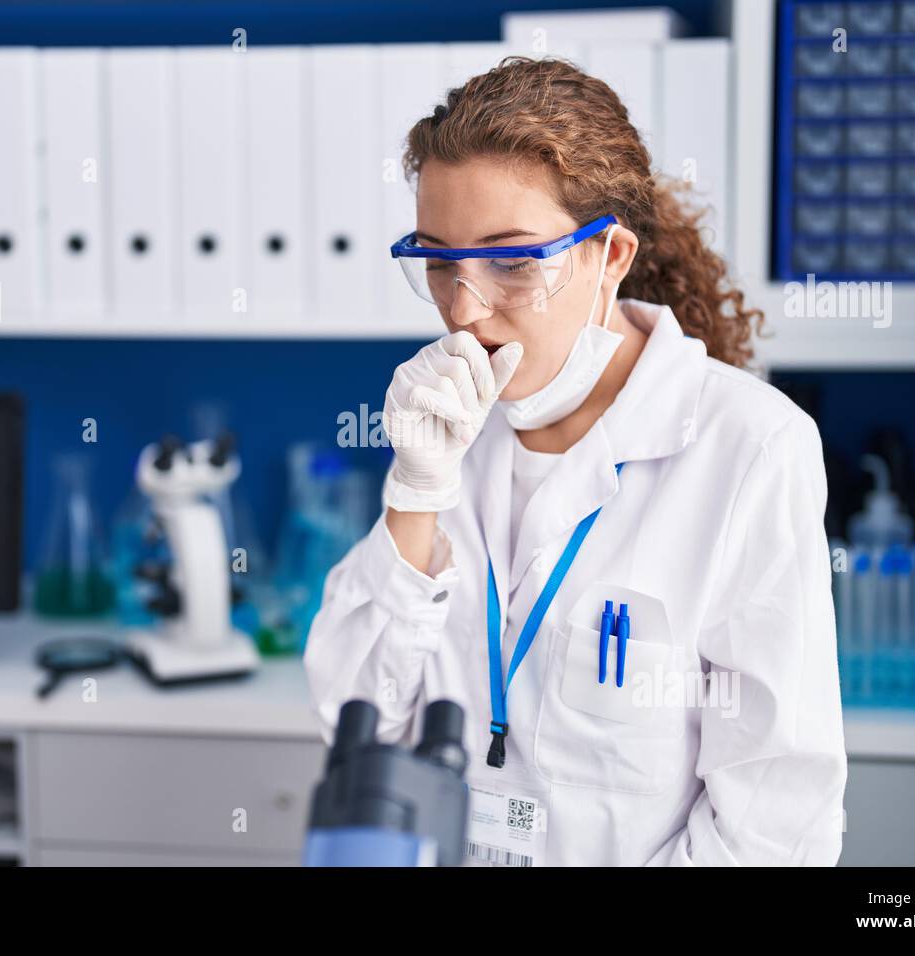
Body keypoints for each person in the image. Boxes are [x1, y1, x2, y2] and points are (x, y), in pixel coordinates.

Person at [303, 56, 846, 866]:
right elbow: (356, 720)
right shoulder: (449, 428)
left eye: (514, 264)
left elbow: (775, 823)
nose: (466, 311)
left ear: (611, 255)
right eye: (441, 262)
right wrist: (415, 496)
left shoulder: (751, 448)